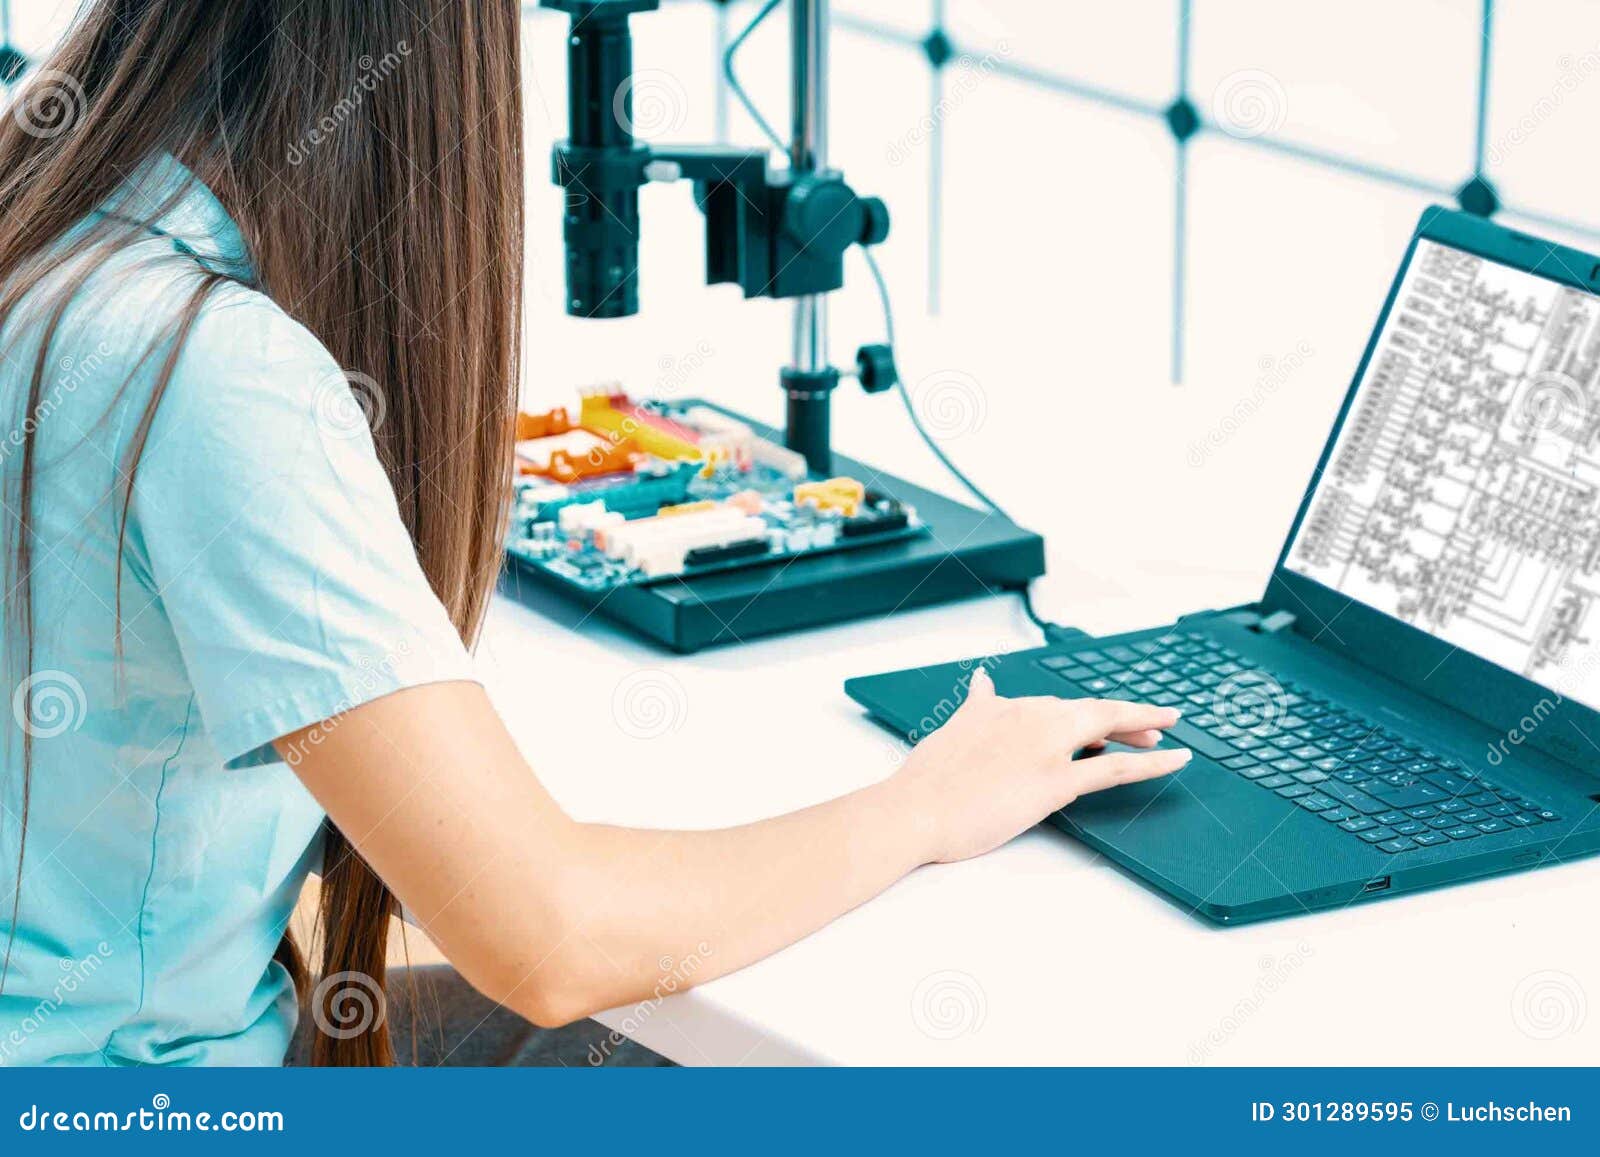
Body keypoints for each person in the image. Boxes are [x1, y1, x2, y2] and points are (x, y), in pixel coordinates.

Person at [0, 0, 1190, 1067]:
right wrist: (924, 804)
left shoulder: (40, 203)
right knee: (693, 1067)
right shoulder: (211, 372)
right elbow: (547, 939)